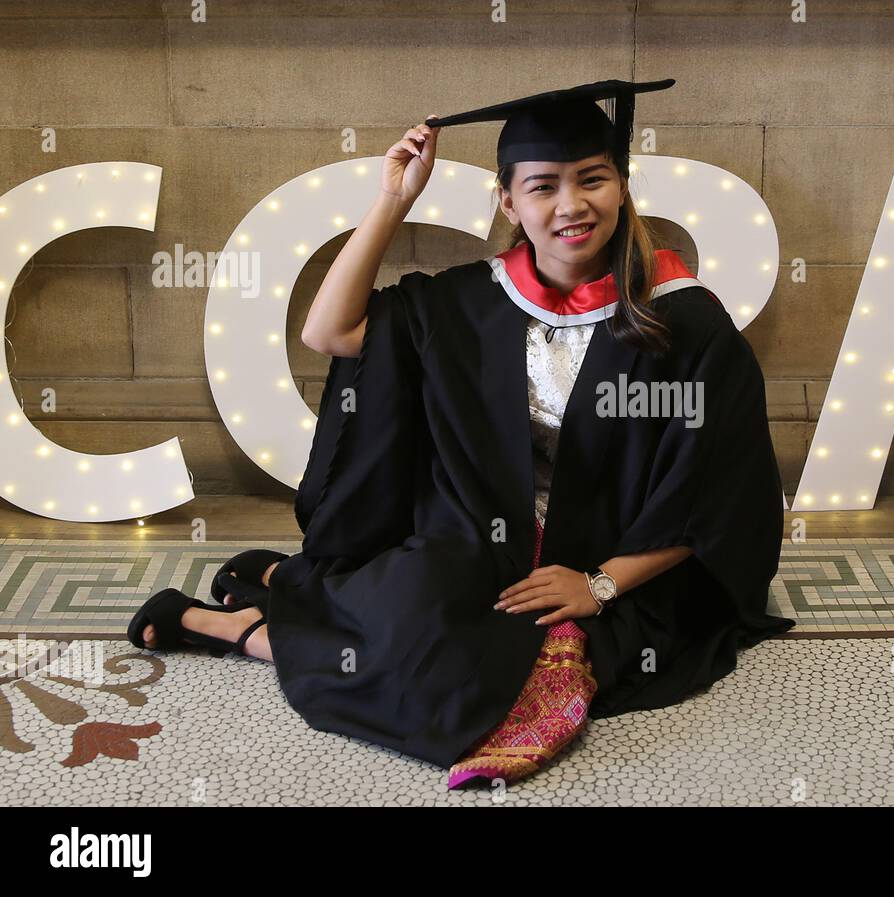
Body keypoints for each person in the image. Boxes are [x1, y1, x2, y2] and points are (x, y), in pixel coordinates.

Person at [127, 79, 795, 789]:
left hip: (620, 550)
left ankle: (250, 620)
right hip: (490, 531)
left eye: (592, 179)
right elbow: (330, 331)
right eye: (543, 186)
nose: (571, 205)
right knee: (415, 617)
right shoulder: (477, 299)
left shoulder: (682, 320)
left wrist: (598, 583)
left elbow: (715, 488)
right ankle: (257, 615)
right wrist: (393, 199)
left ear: (623, 186)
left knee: (507, 676)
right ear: (508, 201)